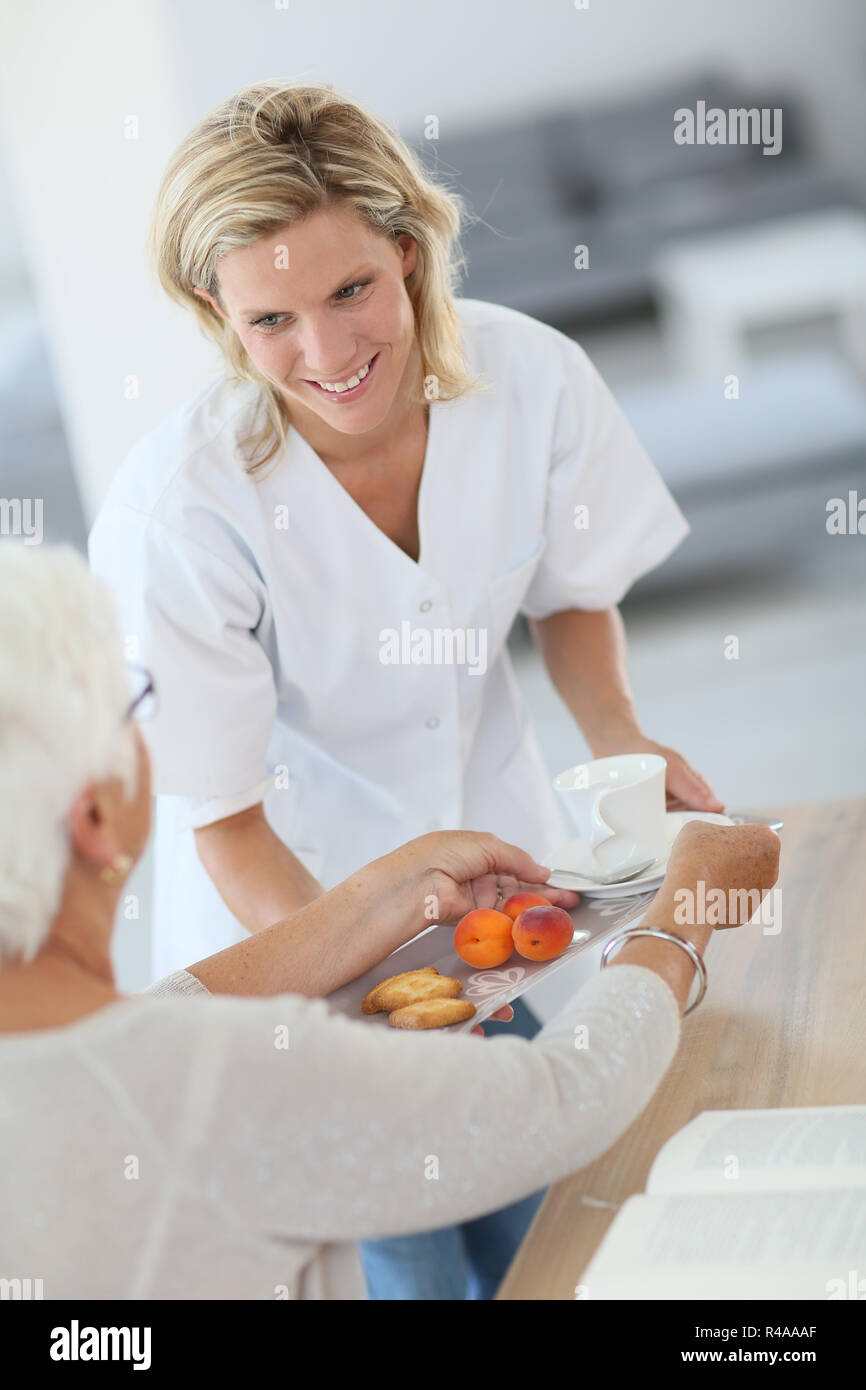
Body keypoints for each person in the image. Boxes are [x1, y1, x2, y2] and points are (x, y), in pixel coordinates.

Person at [87, 77, 724, 1299]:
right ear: (210, 309)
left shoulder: (530, 379)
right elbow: (222, 819)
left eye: (350, 291)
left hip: (494, 904)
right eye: (269, 318)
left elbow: (572, 587)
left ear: (409, 247)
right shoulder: (183, 507)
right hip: (296, 953)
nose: (327, 356)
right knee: (415, 1271)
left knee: (561, 1241)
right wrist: (390, 1001)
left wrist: (622, 740)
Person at [0, 546, 779, 1300]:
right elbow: (559, 1101)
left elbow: (146, 1030)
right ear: (96, 814)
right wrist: (686, 910)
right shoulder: (218, 1085)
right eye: (132, 705)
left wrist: (382, 895)